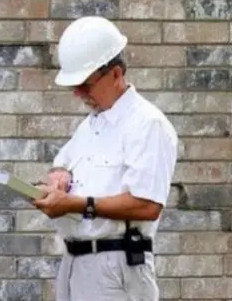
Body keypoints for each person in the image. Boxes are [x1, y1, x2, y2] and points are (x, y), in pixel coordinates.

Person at [32, 15, 179, 301]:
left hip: (117, 265)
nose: (78, 94)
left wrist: (76, 204)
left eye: (85, 85)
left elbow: (147, 205)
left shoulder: (147, 124)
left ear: (115, 74)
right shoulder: (92, 124)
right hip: (76, 263)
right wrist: (59, 177)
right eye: (74, 87)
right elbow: (64, 162)